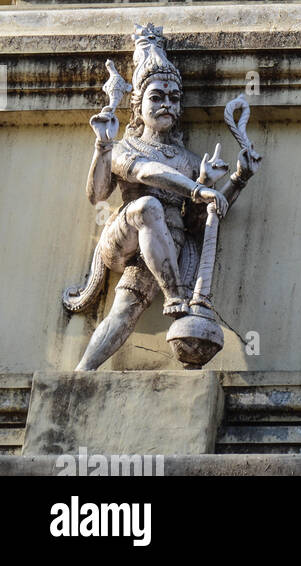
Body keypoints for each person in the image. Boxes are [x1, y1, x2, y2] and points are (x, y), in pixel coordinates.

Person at [63, 25, 259, 372]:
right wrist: (104, 146)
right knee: (148, 206)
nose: (167, 104)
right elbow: (129, 181)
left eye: (173, 98)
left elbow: (201, 219)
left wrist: (237, 178)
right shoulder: (129, 146)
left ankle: (83, 373)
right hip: (126, 233)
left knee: (124, 310)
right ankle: (175, 297)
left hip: (167, 246)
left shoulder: (186, 159)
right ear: (138, 105)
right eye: (157, 97)